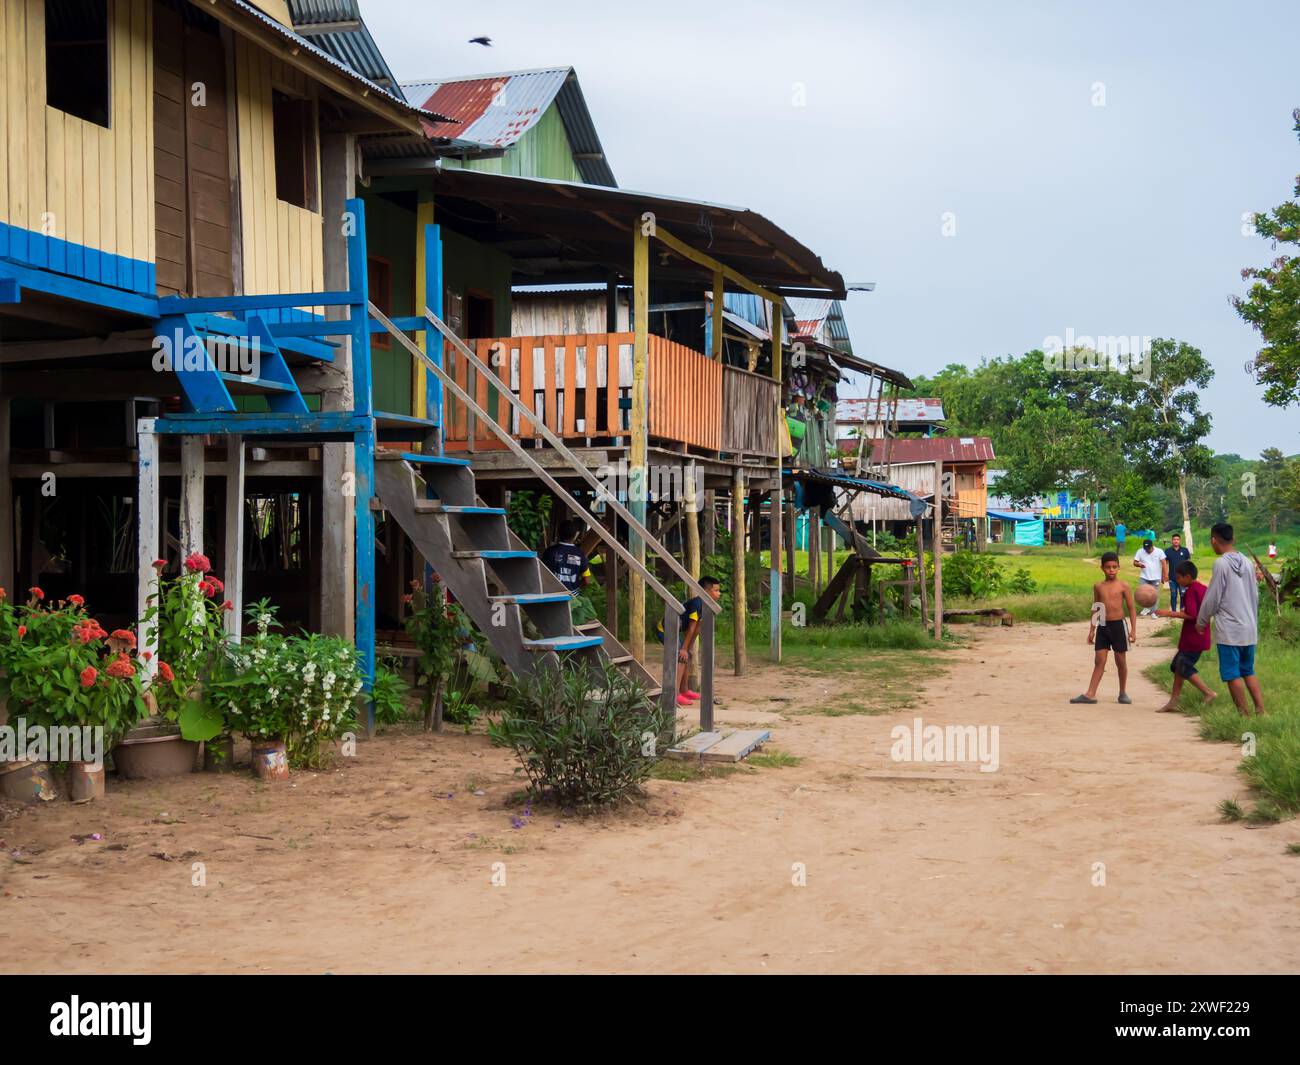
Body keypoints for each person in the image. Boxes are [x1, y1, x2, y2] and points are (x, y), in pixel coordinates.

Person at [1196, 523, 1264, 717]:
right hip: (1249, 627)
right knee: (1248, 670)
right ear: (1233, 539)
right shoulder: (1248, 562)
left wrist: (1202, 621)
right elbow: (1255, 596)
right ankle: (1260, 709)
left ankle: (1244, 714)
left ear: (1213, 541)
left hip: (1230, 631)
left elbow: (1213, 597)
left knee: (1232, 673)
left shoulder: (1221, 564)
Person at [1071, 551, 1138, 705]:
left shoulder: (1124, 586)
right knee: (1099, 660)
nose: (1111, 570)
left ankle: (1122, 693)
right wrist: (1092, 629)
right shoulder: (1098, 586)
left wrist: (1133, 630)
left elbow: (1131, 608)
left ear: (1119, 567)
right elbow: (1097, 607)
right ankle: (1090, 694)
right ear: (1102, 568)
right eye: (1108, 567)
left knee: (1120, 660)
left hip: (1119, 626)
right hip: (1102, 626)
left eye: (1114, 567)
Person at [1153, 561, 1217, 712]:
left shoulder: (1191, 590)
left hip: (1193, 637)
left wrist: (1167, 613)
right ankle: (1173, 701)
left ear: (1187, 576)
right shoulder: (1202, 588)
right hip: (1199, 635)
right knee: (1177, 666)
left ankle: (1208, 693)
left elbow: (1191, 614)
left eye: (1179, 578)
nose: (1177, 581)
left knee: (1183, 667)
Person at [656, 576, 723, 707]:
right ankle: (674, 695)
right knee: (681, 658)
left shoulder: (706, 605)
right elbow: (691, 628)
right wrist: (683, 649)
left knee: (686, 656)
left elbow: (696, 629)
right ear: (705, 591)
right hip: (664, 629)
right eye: (716, 590)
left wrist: (687, 649)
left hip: (676, 631)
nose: (719, 593)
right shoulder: (697, 603)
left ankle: (685, 691)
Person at [541, 517, 596, 624]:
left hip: (553, 595)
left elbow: (542, 574)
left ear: (558, 533)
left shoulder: (549, 552)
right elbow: (587, 581)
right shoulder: (580, 554)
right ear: (575, 535)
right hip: (573, 596)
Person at [1132, 538, 1167, 617]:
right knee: (1143, 594)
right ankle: (1146, 608)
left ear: (1152, 546)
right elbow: (1135, 562)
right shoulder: (1140, 551)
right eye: (1146, 548)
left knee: (1155, 595)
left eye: (1149, 548)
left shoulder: (1159, 551)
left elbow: (1164, 563)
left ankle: (1154, 612)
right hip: (1144, 577)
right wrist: (1139, 564)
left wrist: (1165, 575)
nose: (1147, 550)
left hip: (1156, 577)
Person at [1163, 533, 1191, 611]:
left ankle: (1182, 609)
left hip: (1183, 577)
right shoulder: (1168, 551)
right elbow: (1165, 564)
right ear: (1172, 541)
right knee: (1173, 594)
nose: (1176, 541)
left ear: (1180, 541)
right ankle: (1174, 611)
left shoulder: (1185, 550)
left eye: (1177, 539)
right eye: (1174, 539)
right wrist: (1164, 575)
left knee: (1182, 594)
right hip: (1172, 577)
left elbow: (1188, 562)